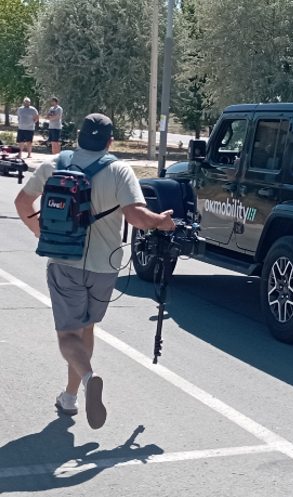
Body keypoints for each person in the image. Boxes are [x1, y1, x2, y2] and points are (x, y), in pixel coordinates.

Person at [14, 113, 176, 429]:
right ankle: (70, 398)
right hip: (104, 268)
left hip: (64, 262)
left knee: (68, 334)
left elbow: (22, 202)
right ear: (110, 142)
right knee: (86, 328)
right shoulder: (118, 170)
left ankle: (88, 379)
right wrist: (162, 222)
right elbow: (137, 217)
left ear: (78, 138)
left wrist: (38, 230)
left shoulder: (54, 165)